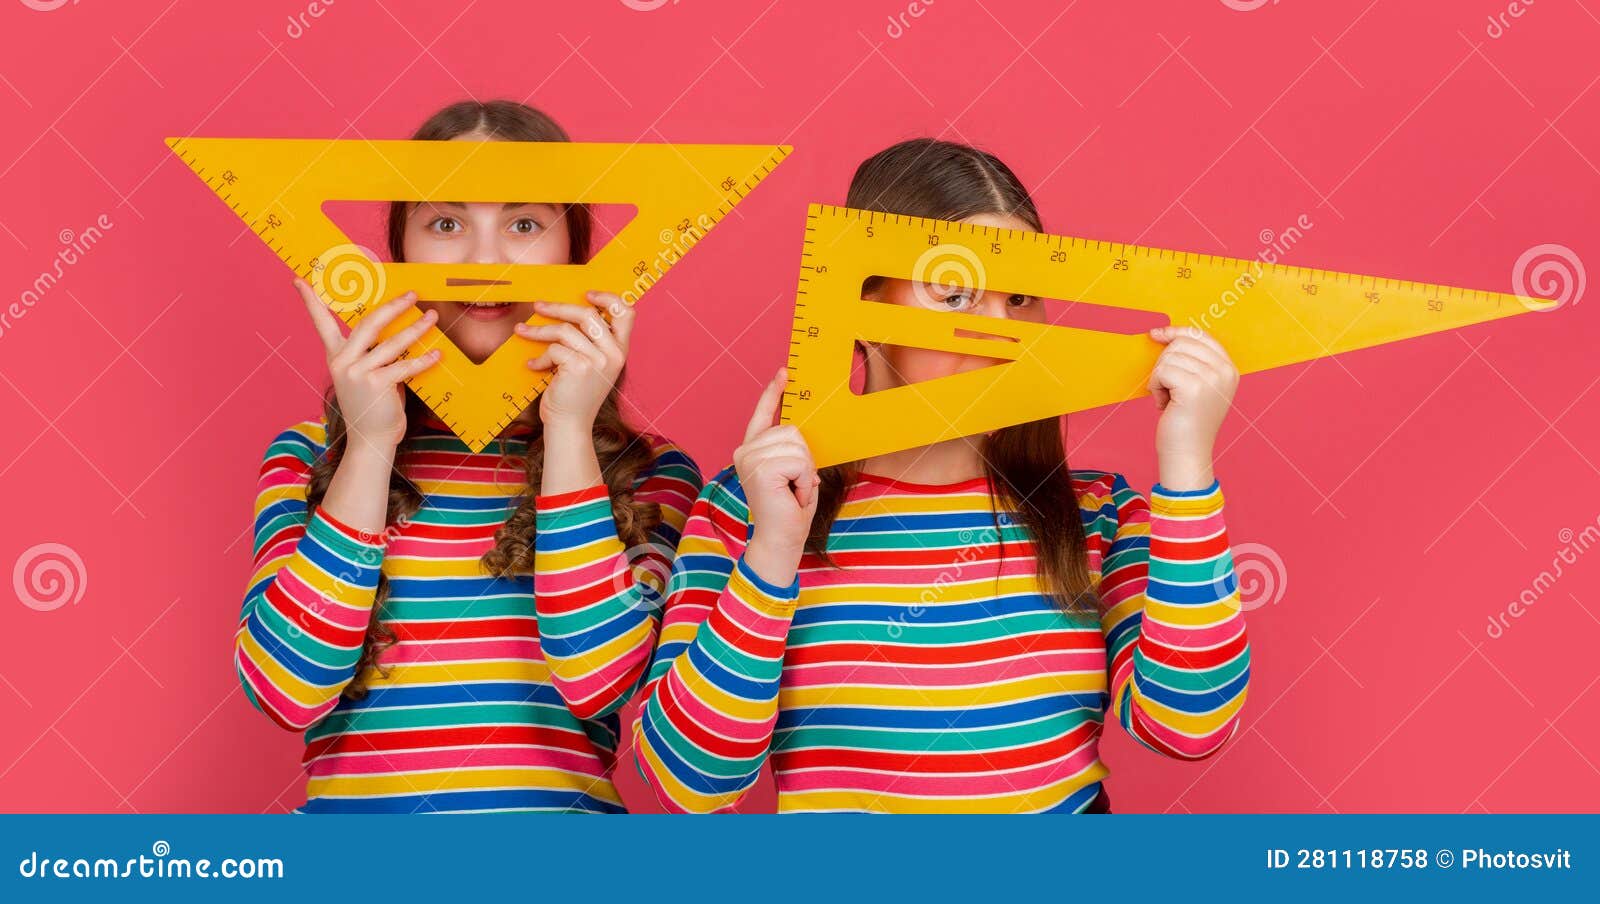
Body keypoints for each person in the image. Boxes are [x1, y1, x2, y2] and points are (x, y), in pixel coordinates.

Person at [633, 138, 1250, 813]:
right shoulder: (750, 507)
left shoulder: (1099, 513)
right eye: (956, 295)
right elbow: (689, 778)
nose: (999, 329)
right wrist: (773, 553)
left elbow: (1190, 727)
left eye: (1020, 297)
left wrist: (1189, 470)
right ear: (859, 313)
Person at [235, 100, 700, 813]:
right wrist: (368, 445)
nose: (486, 261)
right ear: (398, 257)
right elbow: (287, 689)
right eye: (446, 224)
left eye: (523, 225)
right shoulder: (306, 458)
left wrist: (570, 429)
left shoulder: (650, 472)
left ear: (578, 259)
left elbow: (598, 679)